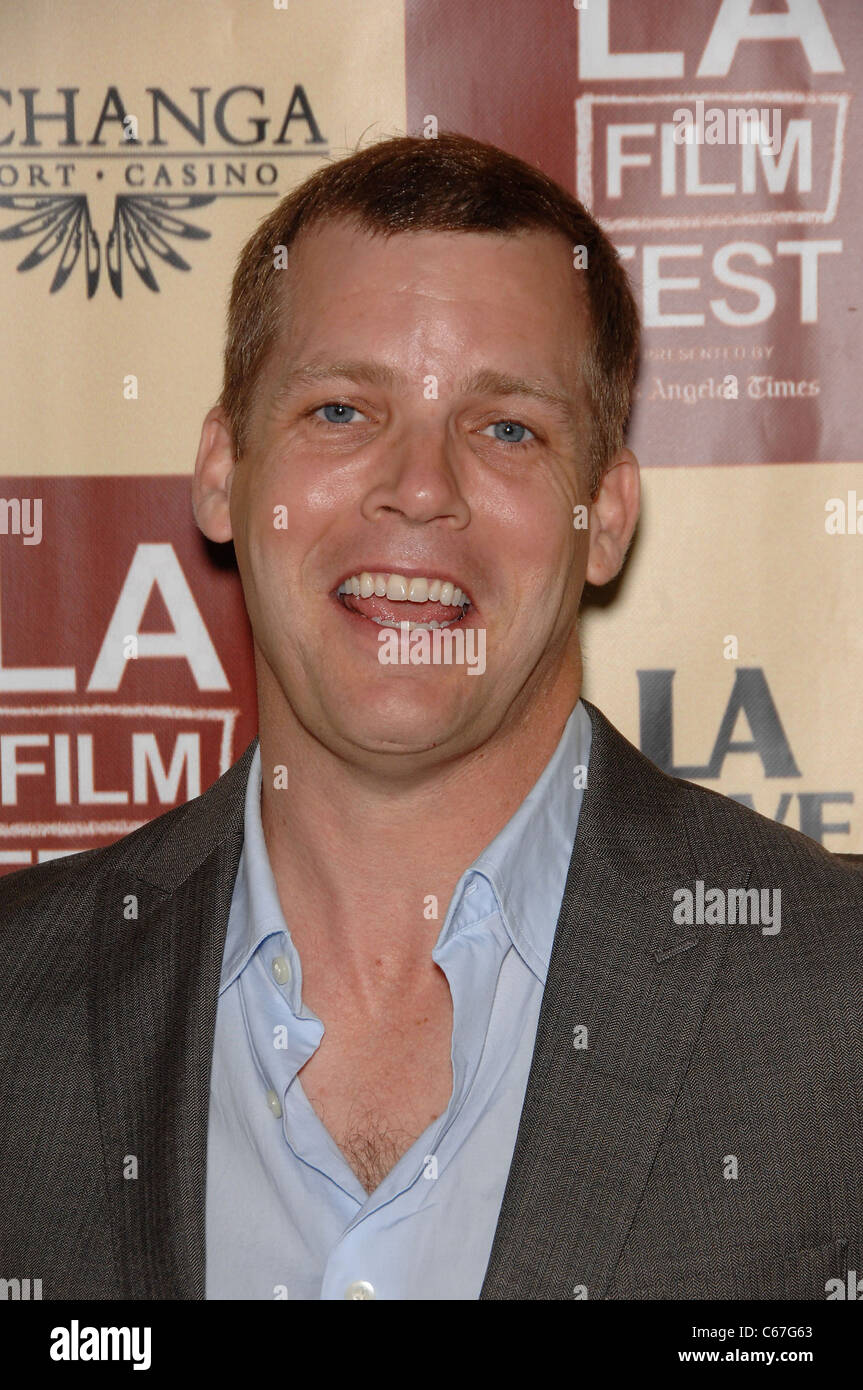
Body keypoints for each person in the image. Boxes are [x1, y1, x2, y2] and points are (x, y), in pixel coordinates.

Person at [2, 132, 861, 1302]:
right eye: (342, 409)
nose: (419, 485)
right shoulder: (19, 1001)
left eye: (505, 427)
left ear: (602, 514)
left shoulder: (833, 1000)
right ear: (223, 469)